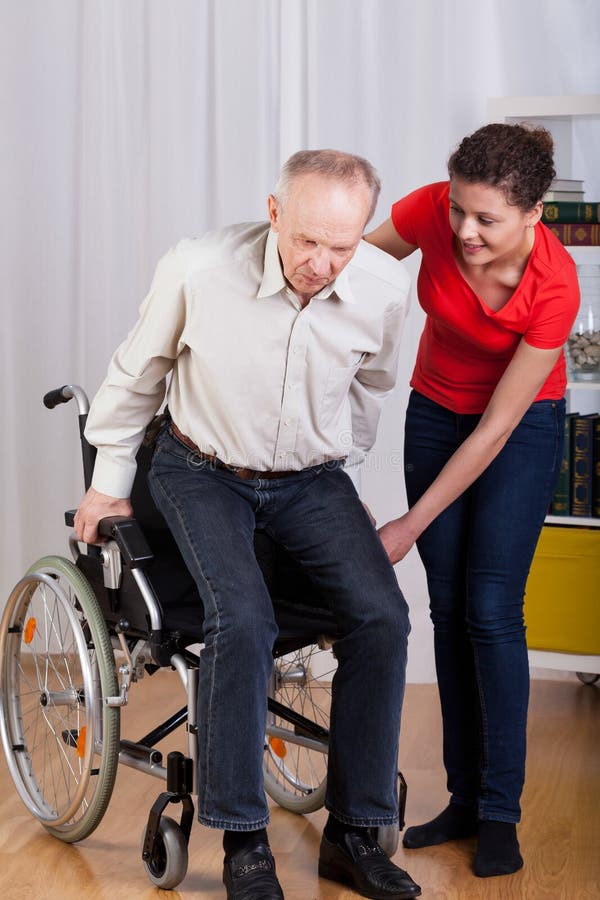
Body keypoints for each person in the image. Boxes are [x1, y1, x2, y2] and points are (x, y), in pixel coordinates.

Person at [74, 149, 421, 900]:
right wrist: (105, 488)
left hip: (310, 480)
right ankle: (244, 840)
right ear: (273, 213)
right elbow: (137, 374)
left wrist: (346, 474)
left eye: (343, 244)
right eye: (306, 240)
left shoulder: (384, 288)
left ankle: (356, 832)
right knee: (244, 618)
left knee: (382, 616)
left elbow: (369, 387)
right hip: (200, 468)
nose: (323, 262)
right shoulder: (200, 269)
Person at [365, 123, 580, 878]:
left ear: (534, 214)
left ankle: (500, 812)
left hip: (515, 430)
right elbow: (348, 269)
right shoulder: (431, 212)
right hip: (432, 408)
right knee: (448, 610)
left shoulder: (556, 286)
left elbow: (493, 431)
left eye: (486, 218)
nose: (463, 230)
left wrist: (407, 523)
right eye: (459, 209)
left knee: (491, 610)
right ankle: (461, 798)